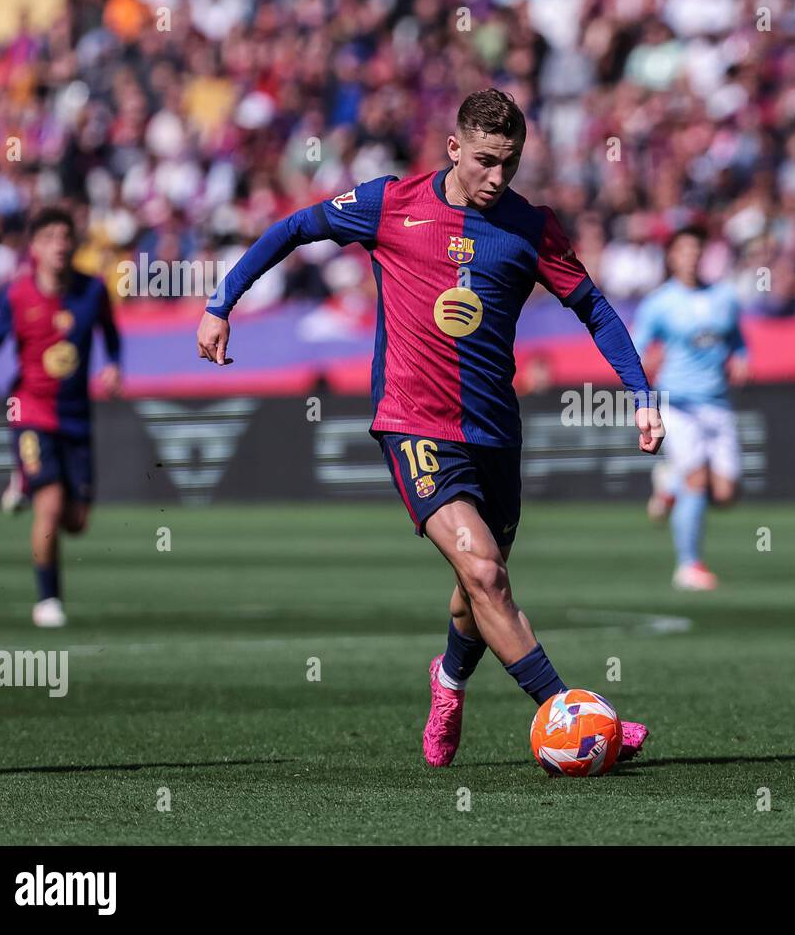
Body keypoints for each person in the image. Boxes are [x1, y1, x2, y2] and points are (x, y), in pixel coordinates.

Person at [196, 89, 663, 765]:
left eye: (509, 163)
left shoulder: (531, 228)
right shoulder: (392, 203)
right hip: (414, 423)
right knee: (484, 572)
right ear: (453, 148)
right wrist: (221, 302)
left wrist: (641, 393)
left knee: (480, 583)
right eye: (484, 161)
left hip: (495, 432)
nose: (497, 178)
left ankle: (448, 681)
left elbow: (591, 306)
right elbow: (298, 226)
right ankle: (572, 715)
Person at [0, 207, 123, 628]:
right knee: (49, 505)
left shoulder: (92, 291)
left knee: (76, 522)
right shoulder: (15, 296)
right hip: (29, 408)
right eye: (50, 236)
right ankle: (48, 599)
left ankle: (22, 477)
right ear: (34, 247)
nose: (60, 244)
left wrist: (113, 364)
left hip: (76, 415)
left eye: (65, 236)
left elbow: (110, 334)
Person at [633, 226, 748, 591]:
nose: (692, 256)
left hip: (717, 403)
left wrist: (743, 358)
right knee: (697, 479)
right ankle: (688, 566)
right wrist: (641, 388)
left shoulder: (725, 297)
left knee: (726, 494)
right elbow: (634, 346)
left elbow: (737, 340)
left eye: (698, 249)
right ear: (672, 257)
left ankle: (669, 484)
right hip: (678, 403)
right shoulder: (660, 302)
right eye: (684, 250)